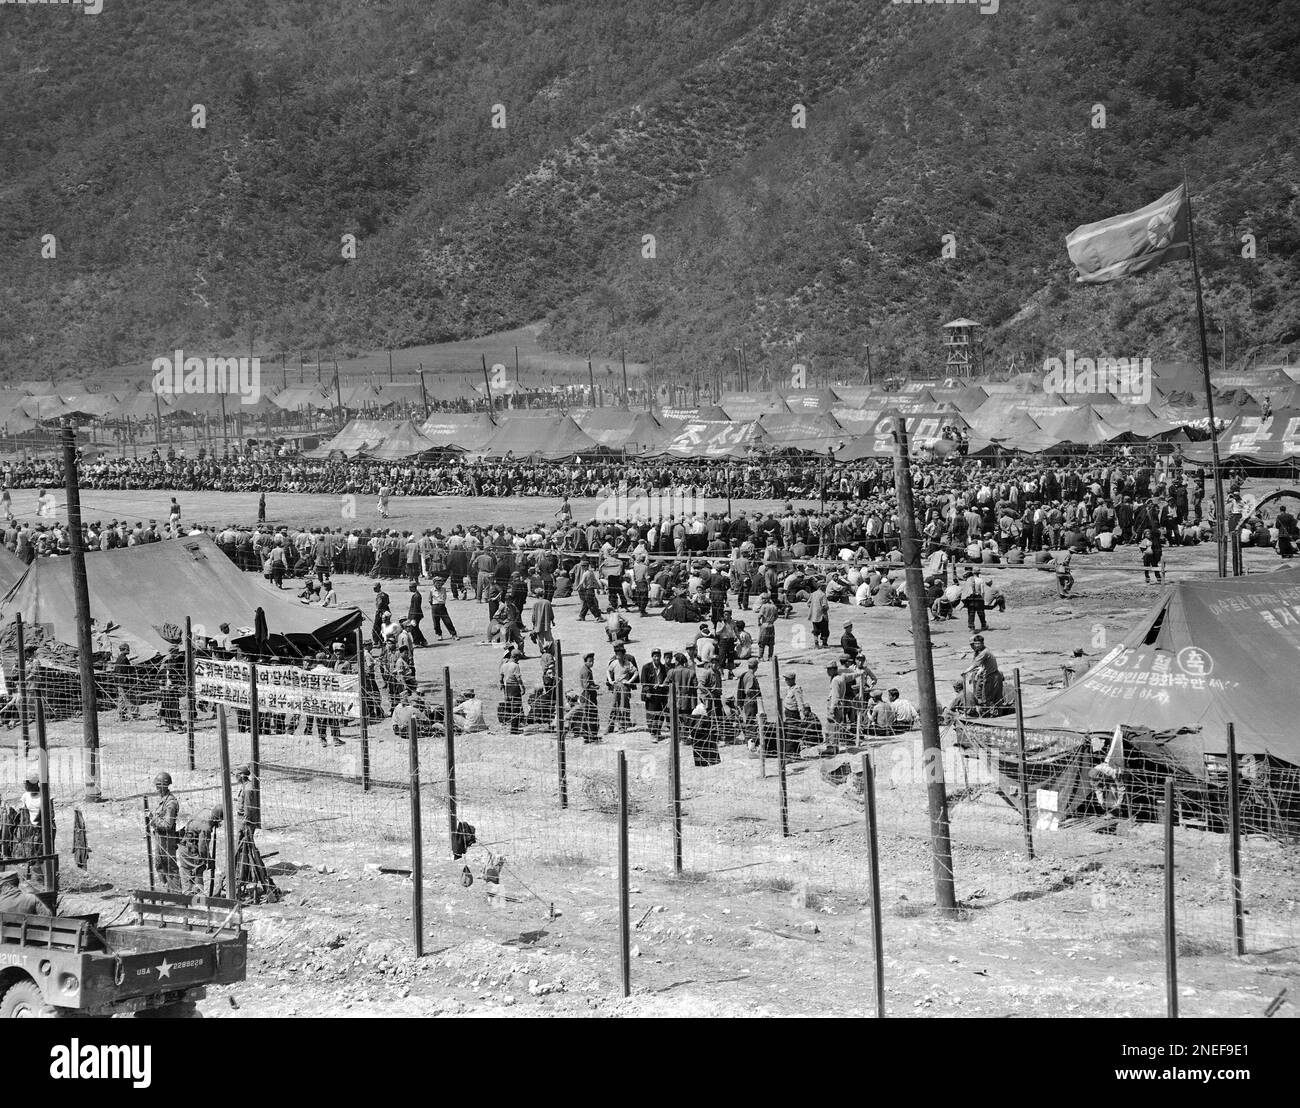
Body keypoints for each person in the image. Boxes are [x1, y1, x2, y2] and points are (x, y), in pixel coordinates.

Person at [177, 806, 223, 894]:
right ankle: (198, 900)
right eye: (219, 821)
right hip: (190, 850)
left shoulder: (205, 811)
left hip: (184, 847)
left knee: (187, 874)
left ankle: (188, 900)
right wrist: (209, 861)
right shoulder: (206, 828)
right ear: (217, 819)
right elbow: (203, 849)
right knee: (198, 871)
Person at [149, 771, 181, 892]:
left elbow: (168, 825)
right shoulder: (163, 800)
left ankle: (177, 894)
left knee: (170, 867)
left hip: (167, 840)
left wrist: (153, 819)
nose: (156, 788)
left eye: (158, 785)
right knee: (159, 864)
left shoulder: (170, 803)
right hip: (160, 838)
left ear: (163, 786)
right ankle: (168, 889)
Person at [640, 649, 669, 740]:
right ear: (652, 657)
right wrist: (648, 691)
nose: (656, 658)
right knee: (651, 714)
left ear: (660, 657)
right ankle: (653, 733)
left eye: (658, 656)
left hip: (660, 695)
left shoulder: (664, 668)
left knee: (660, 714)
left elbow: (666, 680)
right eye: (655, 656)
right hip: (650, 695)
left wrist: (662, 686)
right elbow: (644, 682)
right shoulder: (646, 667)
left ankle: (658, 731)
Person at [578, 652, 599, 742]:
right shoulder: (586, 671)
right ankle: (592, 735)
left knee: (587, 715)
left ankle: (587, 735)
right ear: (585, 661)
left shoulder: (586, 669)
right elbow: (587, 686)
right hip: (588, 695)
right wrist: (596, 687)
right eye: (590, 661)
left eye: (593, 661)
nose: (592, 663)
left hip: (588, 694)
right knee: (591, 714)